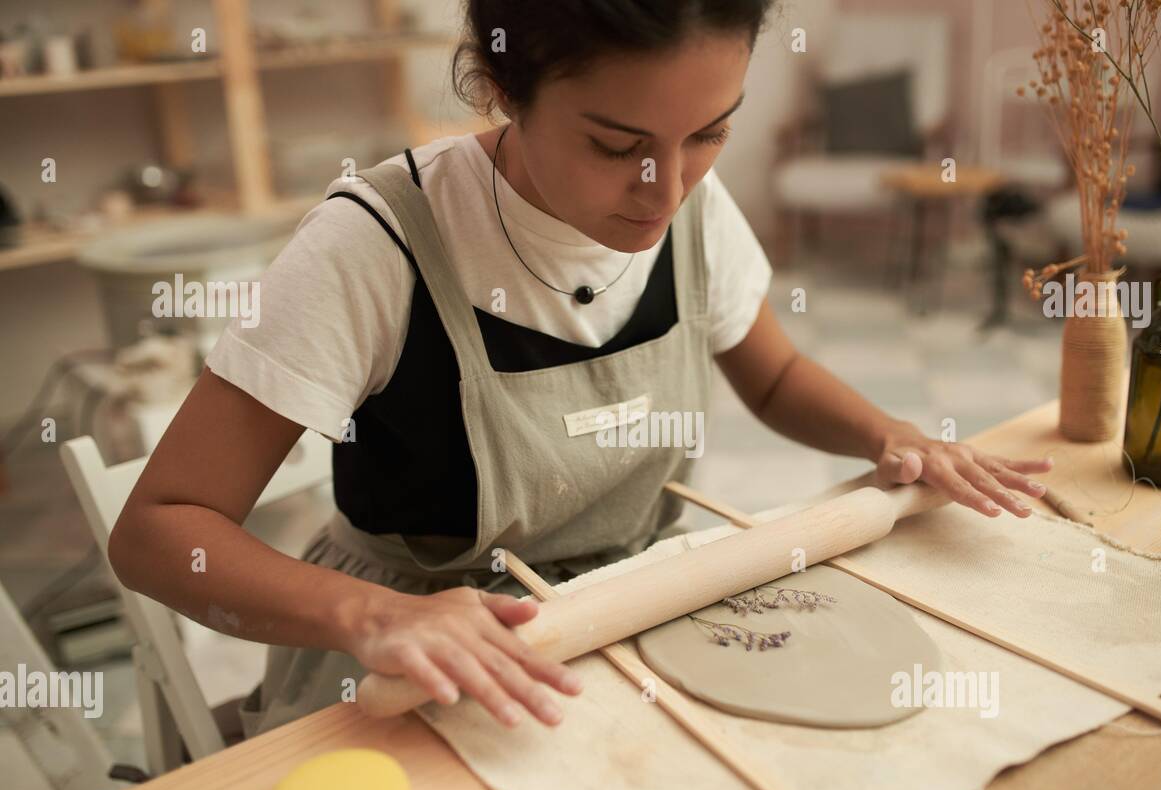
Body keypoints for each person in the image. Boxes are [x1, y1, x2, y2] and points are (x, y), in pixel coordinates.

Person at [108, 0, 1052, 739]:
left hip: (629, 610)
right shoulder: (378, 246)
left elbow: (769, 377)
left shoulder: (691, 203)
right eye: (616, 145)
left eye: (712, 133)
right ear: (498, 86)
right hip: (419, 656)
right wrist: (376, 617)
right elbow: (156, 533)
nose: (668, 189)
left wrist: (891, 437)